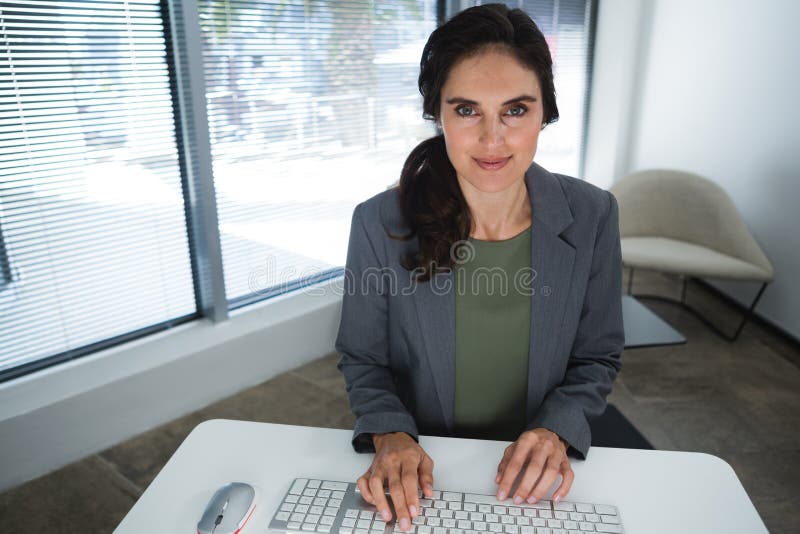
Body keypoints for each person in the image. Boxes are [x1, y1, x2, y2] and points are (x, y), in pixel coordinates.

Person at [335, 4, 623, 532]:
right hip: (426, 473)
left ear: (545, 114)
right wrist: (390, 433)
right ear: (438, 114)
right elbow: (363, 357)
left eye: (516, 110)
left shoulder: (594, 215)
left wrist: (556, 431)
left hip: (531, 481)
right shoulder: (377, 222)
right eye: (467, 110)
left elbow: (597, 355)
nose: (493, 139)